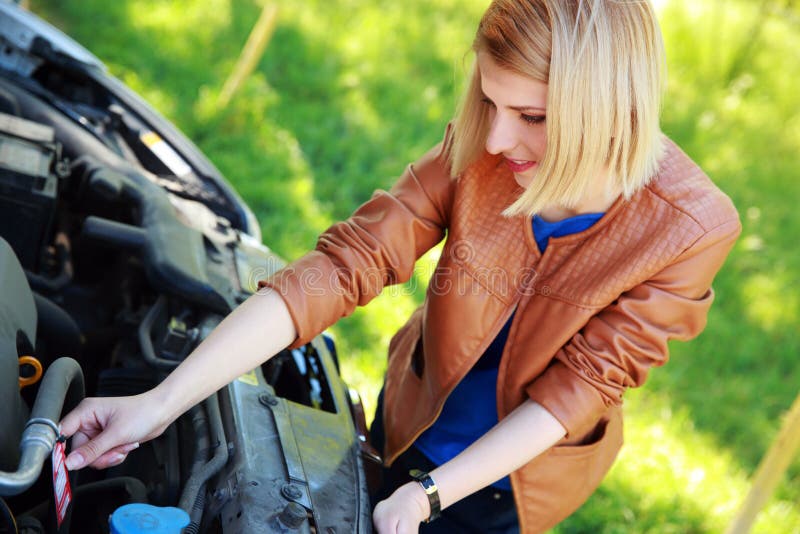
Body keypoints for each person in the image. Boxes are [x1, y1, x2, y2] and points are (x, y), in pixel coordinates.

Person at [59, 1, 741, 532]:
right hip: (413, 408)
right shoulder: (485, 141)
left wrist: (432, 494)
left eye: (532, 115)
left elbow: (580, 389)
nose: (498, 139)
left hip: (510, 480)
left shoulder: (690, 229)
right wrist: (160, 404)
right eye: (490, 102)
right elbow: (347, 262)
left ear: (611, 106)